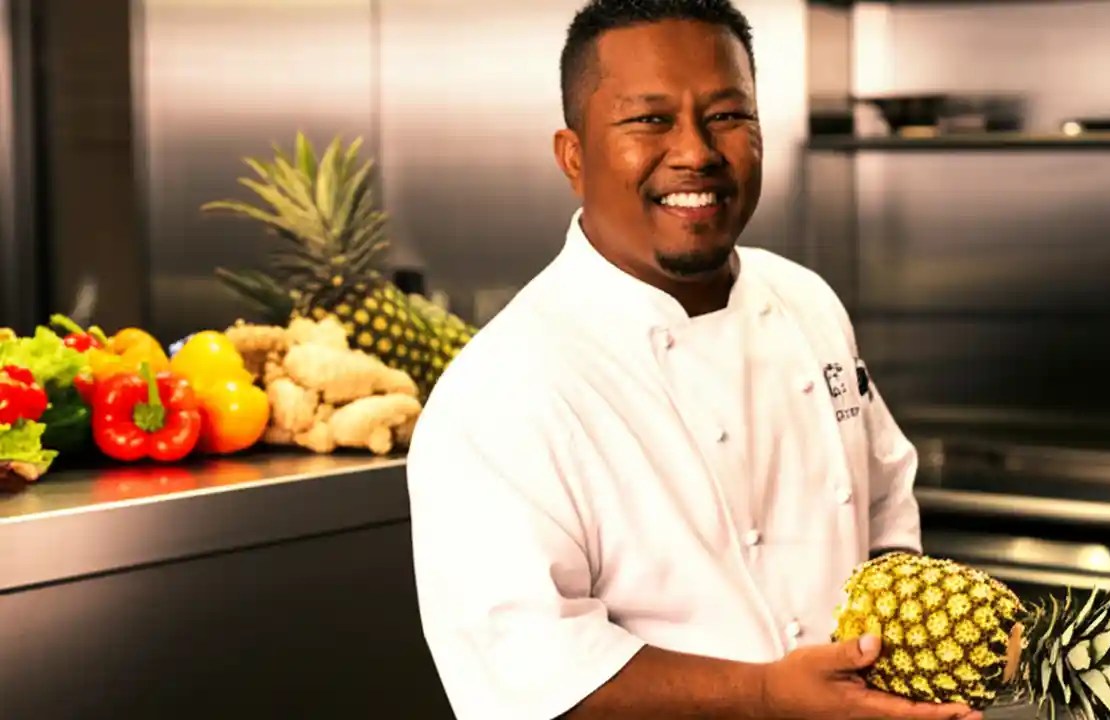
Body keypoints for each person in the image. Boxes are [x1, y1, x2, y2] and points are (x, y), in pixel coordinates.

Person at [407, 1, 981, 719]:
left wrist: (908, 645)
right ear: (573, 156)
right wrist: (767, 698)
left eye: (727, 116)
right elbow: (532, 679)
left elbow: (882, 501)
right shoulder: (504, 388)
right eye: (650, 119)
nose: (696, 152)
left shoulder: (804, 300)